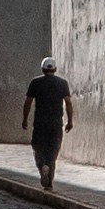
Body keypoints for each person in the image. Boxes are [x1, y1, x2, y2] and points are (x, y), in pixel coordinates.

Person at [23, 55, 72, 185]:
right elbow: (68, 103)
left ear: (43, 69)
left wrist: (25, 119)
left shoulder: (36, 82)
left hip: (40, 123)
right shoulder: (62, 83)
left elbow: (28, 102)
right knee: (53, 149)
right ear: (55, 69)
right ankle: (49, 175)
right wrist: (70, 120)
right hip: (56, 123)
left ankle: (42, 166)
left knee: (38, 147)